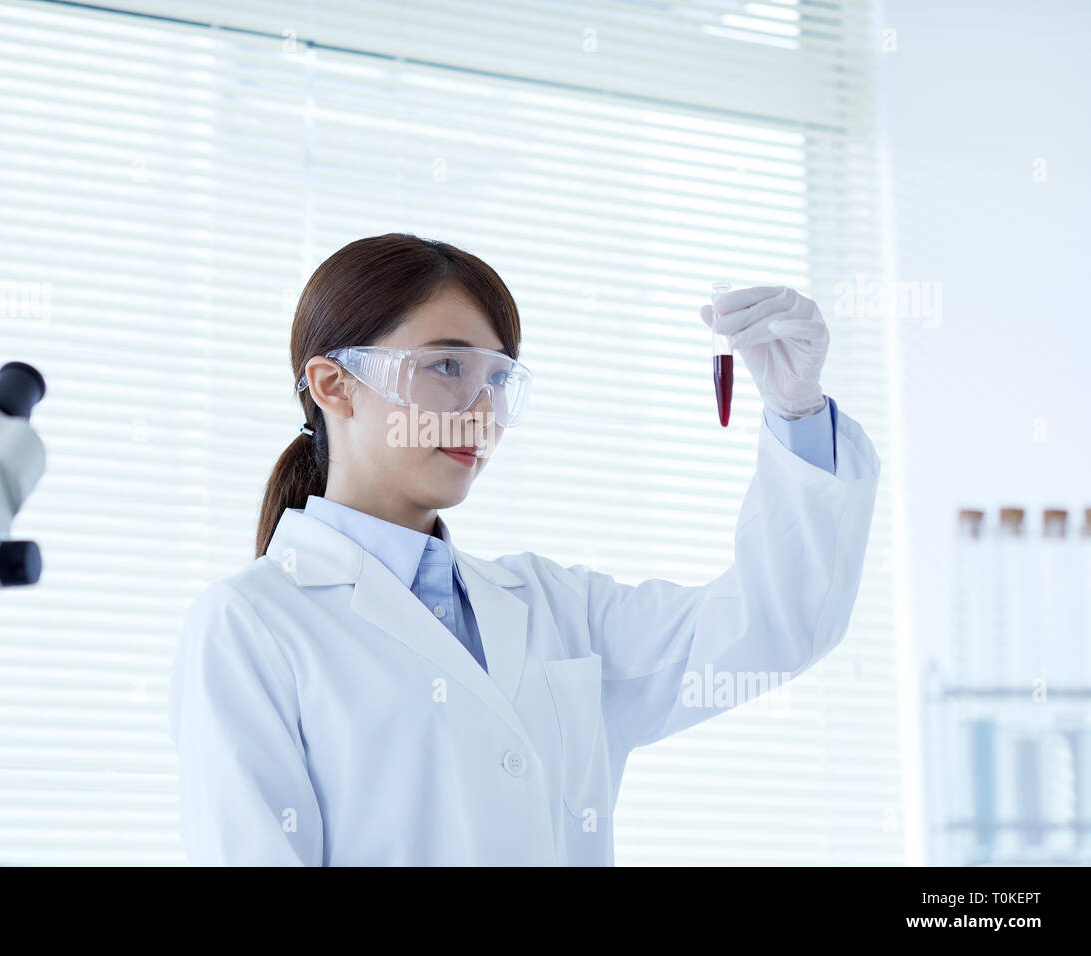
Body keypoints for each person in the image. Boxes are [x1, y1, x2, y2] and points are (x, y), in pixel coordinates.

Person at [169, 232, 880, 865]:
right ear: (334, 385)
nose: (482, 410)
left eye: (499, 378)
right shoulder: (250, 625)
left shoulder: (554, 608)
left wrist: (798, 413)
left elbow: (773, 628)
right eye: (446, 367)